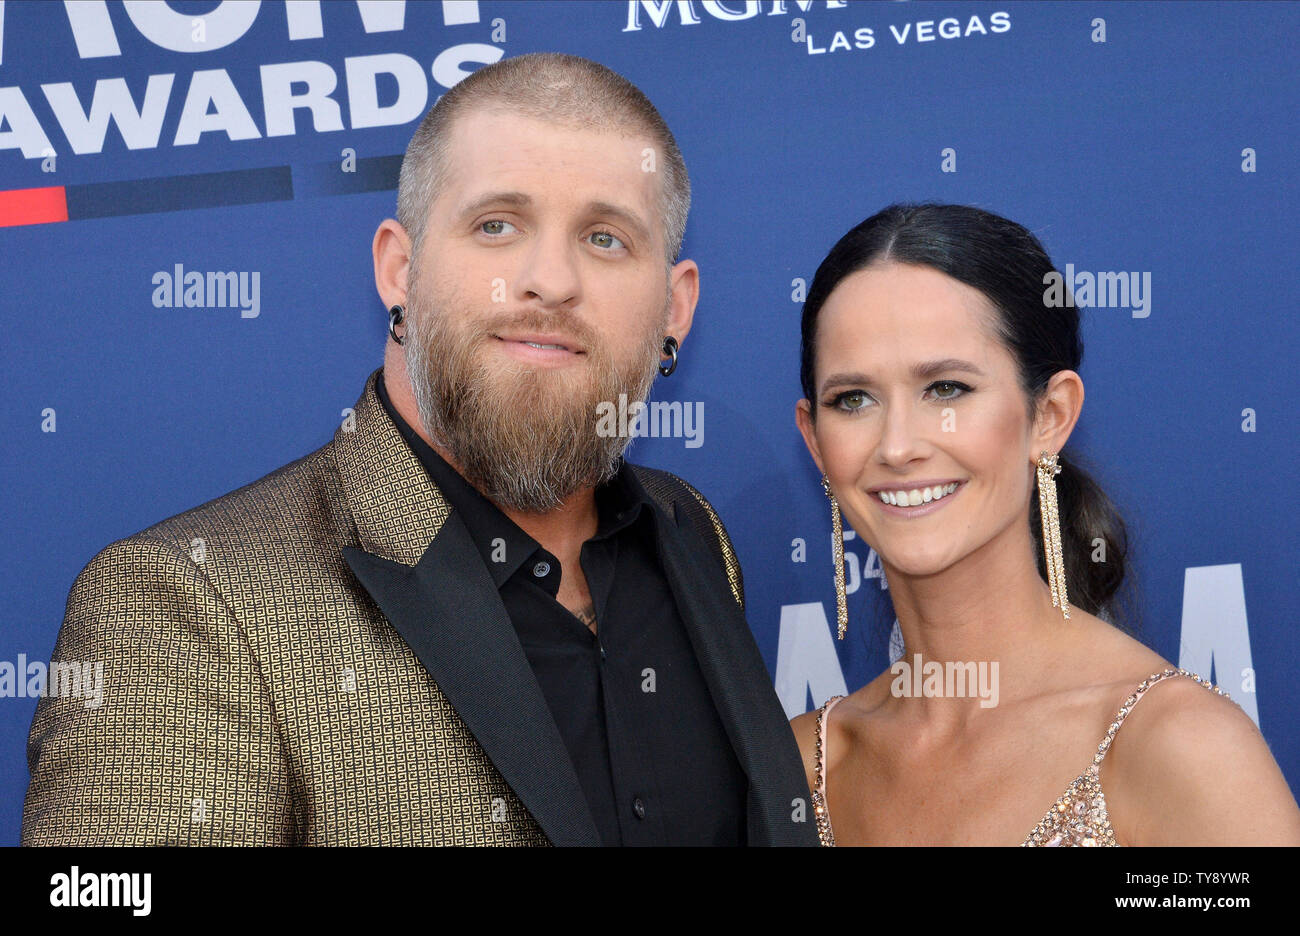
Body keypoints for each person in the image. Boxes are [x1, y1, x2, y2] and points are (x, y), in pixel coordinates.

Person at [22, 52, 816, 846]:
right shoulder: (179, 604)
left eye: (606, 238)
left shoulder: (691, 532)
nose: (549, 279)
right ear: (399, 269)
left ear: (675, 307)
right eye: (496, 224)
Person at [788, 203, 1300, 846]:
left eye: (946, 388)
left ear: (1050, 416)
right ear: (814, 439)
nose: (897, 446)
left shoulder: (1179, 751)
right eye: (853, 399)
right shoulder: (797, 771)